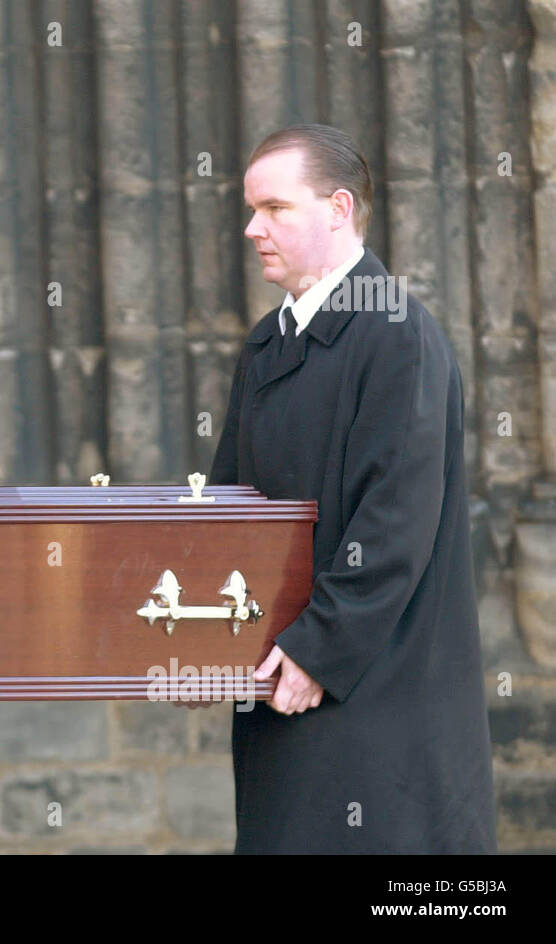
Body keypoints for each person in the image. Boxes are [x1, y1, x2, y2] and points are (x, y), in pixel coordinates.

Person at [210, 124, 495, 853]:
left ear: (339, 208)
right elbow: (229, 508)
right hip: (279, 681)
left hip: (372, 691)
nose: (252, 228)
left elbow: (395, 522)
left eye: (275, 208)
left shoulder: (397, 333)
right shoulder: (268, 343)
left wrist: (317, 650)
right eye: (252, 210)